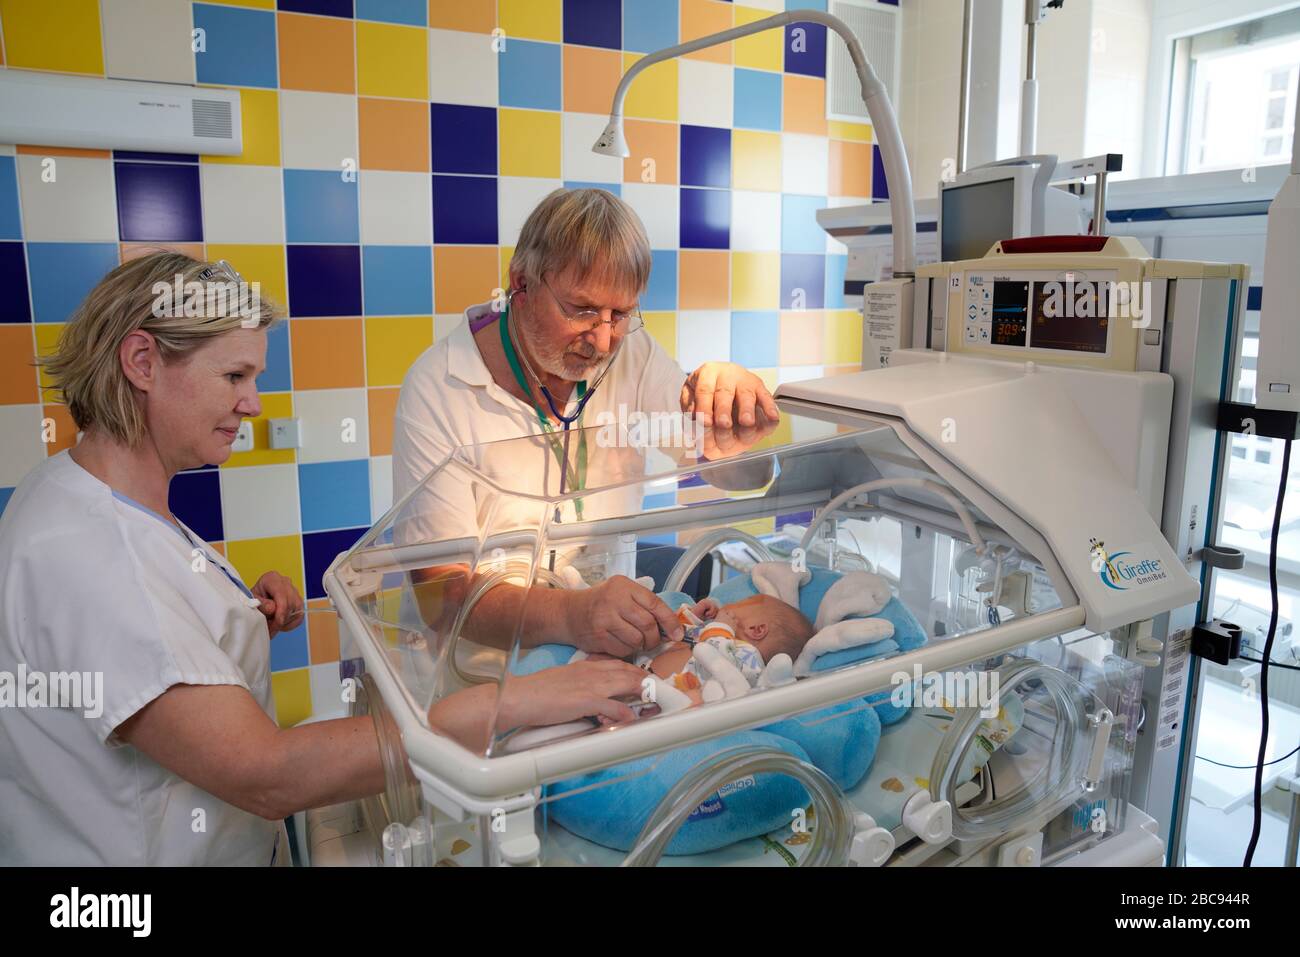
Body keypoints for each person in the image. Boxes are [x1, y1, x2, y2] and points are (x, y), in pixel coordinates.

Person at [0, 253, 648, 865]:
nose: (252, 403)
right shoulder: (89, 554)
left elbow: (151, 641)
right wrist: (514, 703)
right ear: (142, 360)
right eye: (234, 376)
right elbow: (267, 774)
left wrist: (237, 613)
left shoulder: (80, 492)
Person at [392, 188, 779, 656]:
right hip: (479, 676)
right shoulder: (440, 387)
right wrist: (573, 614)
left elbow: (733, 473)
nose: (601, 340)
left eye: (621, 314)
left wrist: (735, 414)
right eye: (582, 310)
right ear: (520, 283)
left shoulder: (632, 355)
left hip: (600, 658)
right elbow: (442, 598)